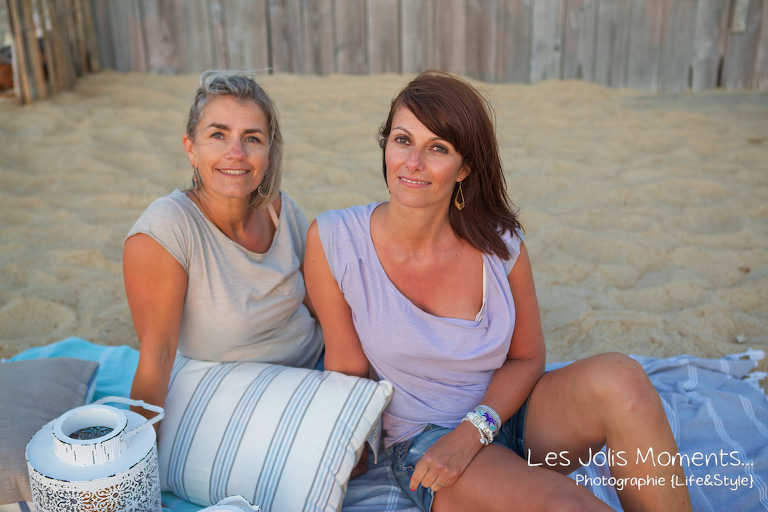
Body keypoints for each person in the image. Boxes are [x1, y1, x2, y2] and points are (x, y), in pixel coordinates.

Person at [304, 71, 691, 511]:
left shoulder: (501, 246)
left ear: (465, 167)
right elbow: (346, 371)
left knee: (623, 378)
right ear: (385, 144)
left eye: (438, 148)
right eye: (402, 140)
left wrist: (476, 431)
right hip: (426, 442)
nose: (412, 162)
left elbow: (528, 358)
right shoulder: (335, 239)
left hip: (507, 415)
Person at [124, 71, 322, 415]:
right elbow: (157, 358)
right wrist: (137, 458)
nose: (236, 153)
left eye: (253, 138)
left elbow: (320, 310)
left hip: (315, 373)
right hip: (241, 399)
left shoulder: (281, 209)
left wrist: (347, 381)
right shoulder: (166, 229)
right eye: (218, 134)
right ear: (191, 148)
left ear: (269, 153)